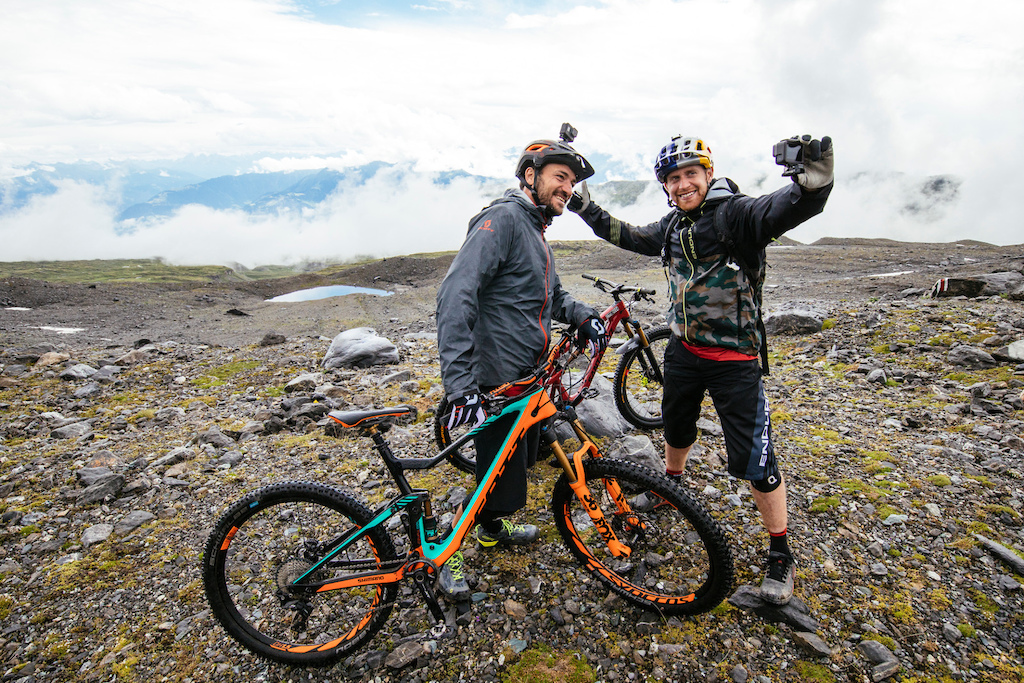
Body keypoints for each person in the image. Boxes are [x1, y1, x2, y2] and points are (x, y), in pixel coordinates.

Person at [567, 134, 834, 605]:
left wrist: (813, 187)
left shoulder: (738, 215)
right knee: (676, 423)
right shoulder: (672, 226)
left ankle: (780, 552)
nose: (683, 183)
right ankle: (673, 483)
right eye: (673, 178)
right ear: (666, 188)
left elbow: (783, 208)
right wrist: (587, 208)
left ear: (708, 175)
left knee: (755, 459)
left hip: (735, 362)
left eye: (691, 173)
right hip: (685, 352)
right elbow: (627, 235)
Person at [434, 131, 608, 600]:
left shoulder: (534, 230)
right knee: (495, 467)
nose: (567, 188)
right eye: (560, 176)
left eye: (571, 181)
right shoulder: (504, 219)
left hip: (528, 374)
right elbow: (455, 295)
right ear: (531, 176)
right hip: (495, 378)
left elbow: (548, 296)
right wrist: (460, 386)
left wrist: (582, 315)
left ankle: (493, 528)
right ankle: (440, 556)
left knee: (518, 462)